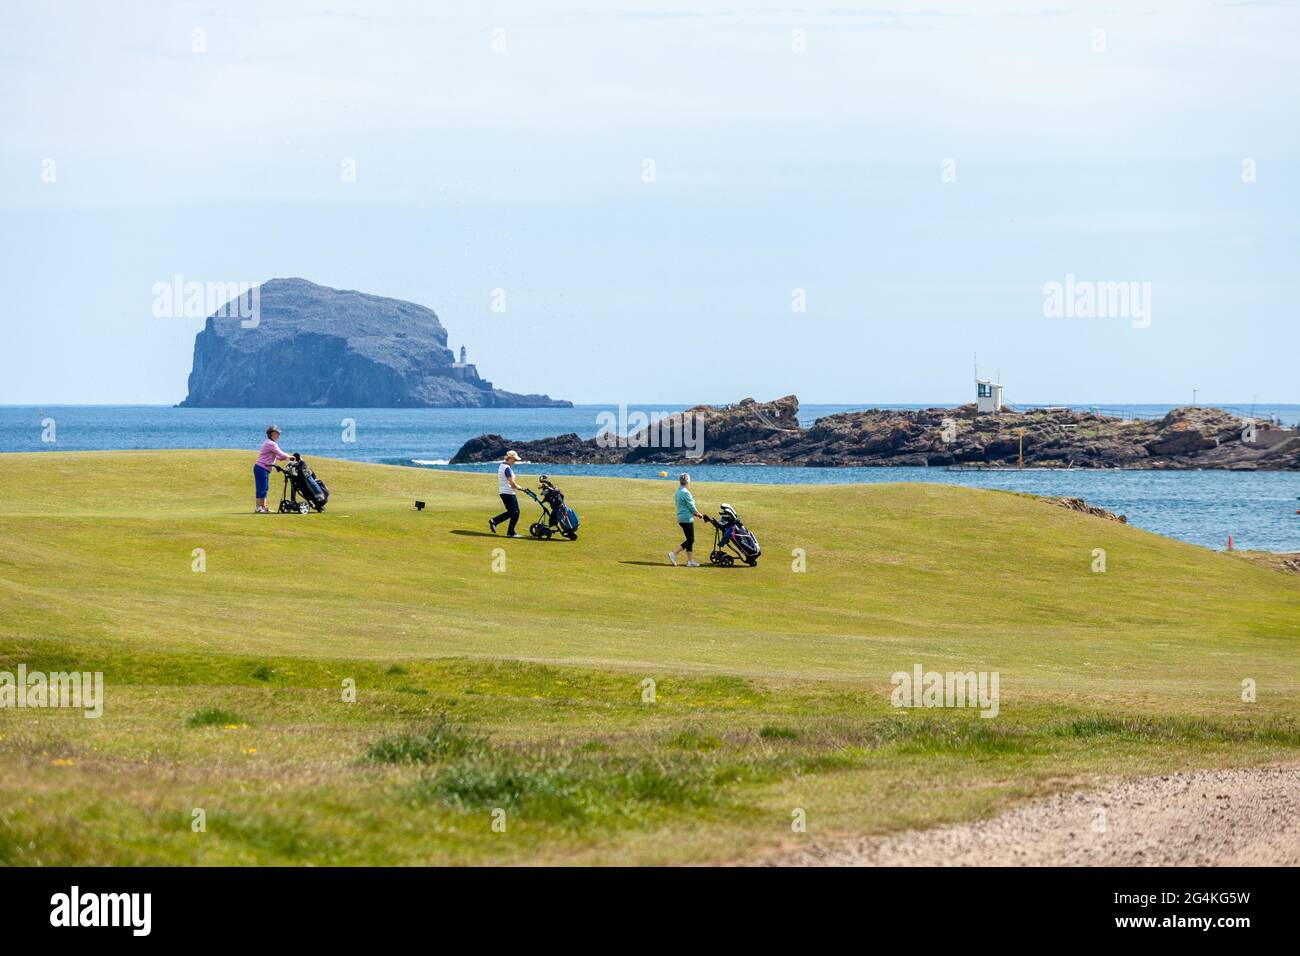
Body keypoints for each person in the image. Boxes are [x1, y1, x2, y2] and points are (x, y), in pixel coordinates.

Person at [254, 425, 291, 513]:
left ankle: (263, 507)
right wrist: (290, 457)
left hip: (262, 468)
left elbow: (278, 457)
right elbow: (280, 454)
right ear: (273, 434)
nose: (279, 435)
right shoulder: (271, 443)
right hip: (261, 468)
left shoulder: (269, 443)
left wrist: (288, 458)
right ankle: (259, 508)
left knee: (264, 488)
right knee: (262, 488)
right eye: (278, 433)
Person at [668, 472, 703, 567]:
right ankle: (674, 553)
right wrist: (698, 514)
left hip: (681, 517)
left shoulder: (678, 491)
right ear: (688, 481)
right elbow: (691, 506)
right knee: (691, 540)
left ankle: (690, 561)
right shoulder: (686, 492)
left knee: (689, 539)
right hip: (686, 518)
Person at [489, 449, 526, 537]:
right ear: (510, 458)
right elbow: (511, 483)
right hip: (508, 492)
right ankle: (510, 532)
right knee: (515, 512)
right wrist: (520, 488)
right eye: (515, 459)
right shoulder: (507, 468)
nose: (516, 461)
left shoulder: (502, 465)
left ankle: (495, 521)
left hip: (504, 492)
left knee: (511, 512)